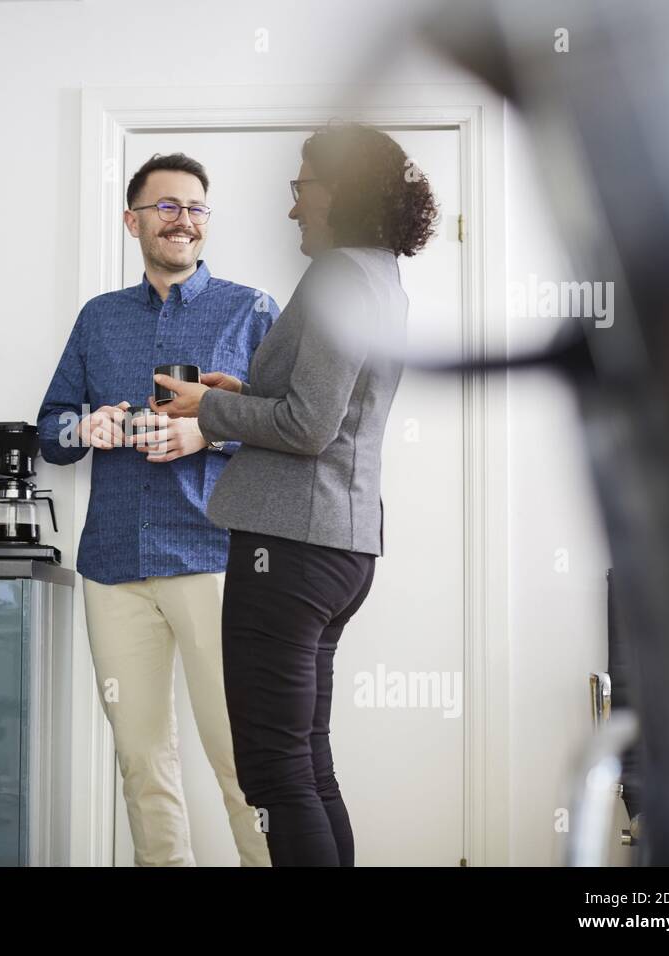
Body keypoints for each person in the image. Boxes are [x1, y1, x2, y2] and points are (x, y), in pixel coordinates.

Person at [151, 124, 438, 866]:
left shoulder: (343, 274)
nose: (293, 209)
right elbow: (333, 408)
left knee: (274, 773)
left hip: (292, 549)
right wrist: (241, 391)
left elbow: (310, 426)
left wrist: (205, 410)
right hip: (338, 547)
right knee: (306, 763)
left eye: (301, 188)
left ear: (339, 191)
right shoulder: (379, 275)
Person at [37, 154, 278, 866]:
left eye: (196, 207)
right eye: (166, 206)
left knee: (243, 759)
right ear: (132, 220)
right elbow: (51, 430)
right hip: (113, 564)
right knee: (142, 762)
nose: (183, 219)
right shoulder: (98, 318)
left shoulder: (252, 308)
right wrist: (87, 427)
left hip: (216, 560)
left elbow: (292, 427)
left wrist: (207, 429)